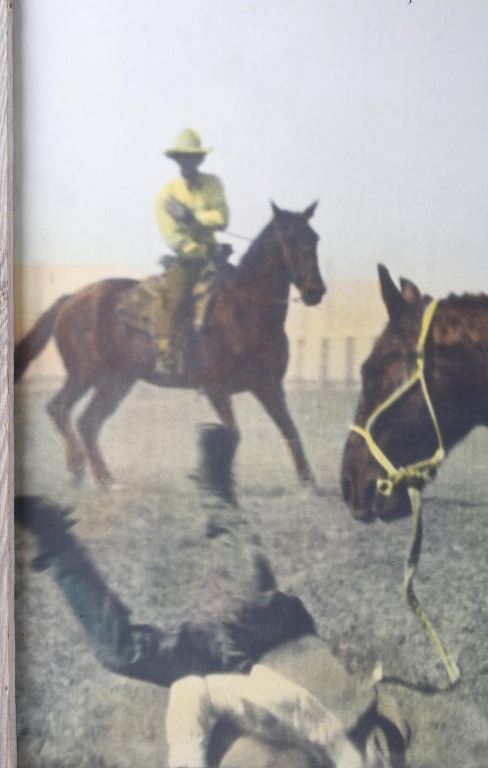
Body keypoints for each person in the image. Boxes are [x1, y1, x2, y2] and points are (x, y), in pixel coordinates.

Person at [15, 426, 409, 768]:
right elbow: (201, 694)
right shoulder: (331, 732)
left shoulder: (351, 734)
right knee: (242, 600)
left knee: (122, 652)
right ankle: (216, 483)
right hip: (271, 640)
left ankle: (56, 540)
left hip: (251, 665)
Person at [118, 129, 230, 373]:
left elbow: (222, 218)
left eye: (193, 158)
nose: (189, 163)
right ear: (178, 161)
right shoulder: (166, 195)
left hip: (215, 256)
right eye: (184, 158)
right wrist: (198, 248)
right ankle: (166, 354)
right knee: (175, 298)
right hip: (186, 259)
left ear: (200, 160)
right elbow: (172, 235)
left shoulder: (214, 184)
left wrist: (193, 217)